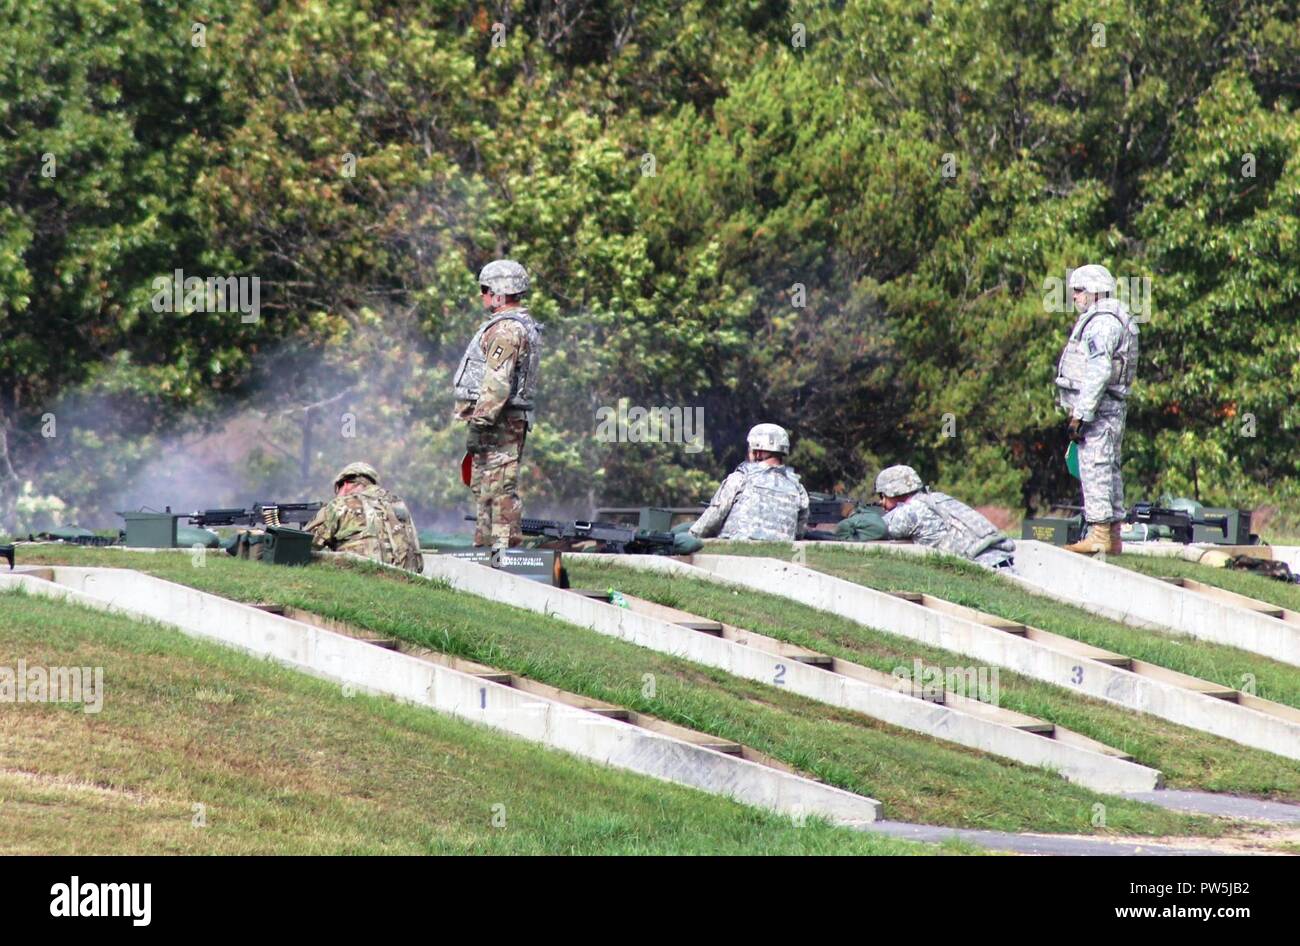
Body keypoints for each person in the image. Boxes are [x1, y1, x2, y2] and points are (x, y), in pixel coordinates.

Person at [453, 259, 541, 548]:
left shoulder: (505, 330)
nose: (482, 295)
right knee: (488, 489)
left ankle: (501, 554)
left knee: (498, 489)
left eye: (484, 289)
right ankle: (487, 551)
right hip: (500, 422)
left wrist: (479, 423)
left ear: (498, 293)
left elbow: (497, 383)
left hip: (498, 424)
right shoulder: (513, 326)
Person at [1054, 264, 1140, 554]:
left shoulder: (1102, 323)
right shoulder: (1111, 318)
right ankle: (1111, 535)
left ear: (1095, 292)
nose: (1075, 297)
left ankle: (1100, 535)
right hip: (1107, 408)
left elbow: (1099, 370)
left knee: (1096, 468)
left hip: (1100, 410)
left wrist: (1081, 413)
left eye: (1079, 291)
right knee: (1109, 467)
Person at [874, 465, 1014, 569]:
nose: (881, 502)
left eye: (882, 495)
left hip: (984, 570)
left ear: (892, 491)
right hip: (1005, 564)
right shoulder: (939, 498)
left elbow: (872, 528)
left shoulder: (910, 512)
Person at [689, 423, 809, 541]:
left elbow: (714, 515)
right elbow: (799, 531)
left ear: (759, 451)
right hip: (780, 551)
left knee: (681, 530)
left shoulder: (741, 477)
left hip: (735, 550)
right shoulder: (797, 486)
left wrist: (690, 536)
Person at [304, 462, 423, 571]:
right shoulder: (399, 504)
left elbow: (302, 546)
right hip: (406, 581)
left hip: (361, 580)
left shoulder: (340, 505)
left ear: (345, 484)